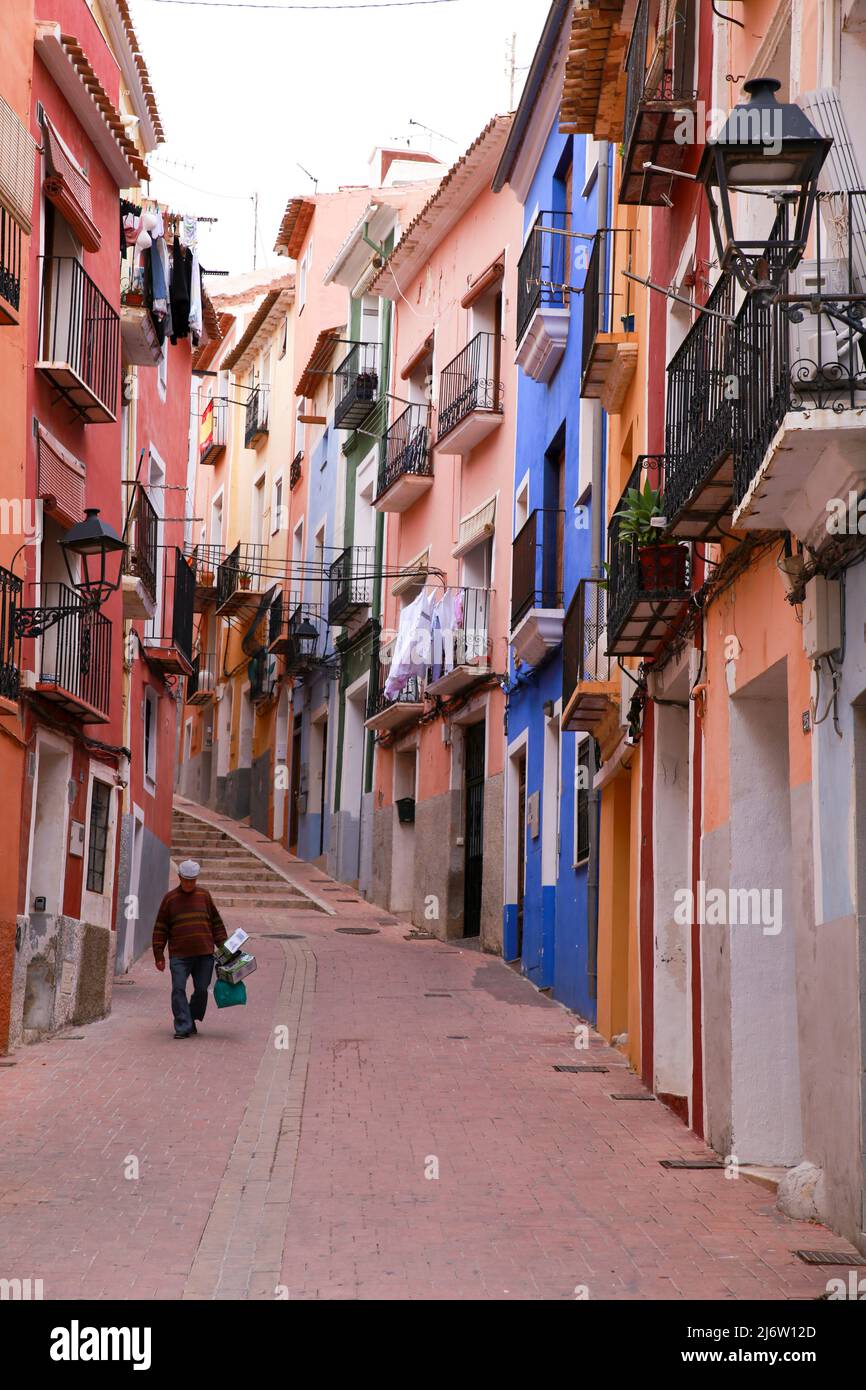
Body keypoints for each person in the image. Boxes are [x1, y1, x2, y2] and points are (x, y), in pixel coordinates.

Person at [152, 859, 228, 1038]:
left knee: (202, 990)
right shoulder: (170, 899)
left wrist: (225, 948)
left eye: (192, 880)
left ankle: (190, 1018)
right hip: (180, 955)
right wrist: (158, 955)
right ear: (179, 877)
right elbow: (160, 927)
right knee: (178, 988)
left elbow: (216, 923)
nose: (189, 884)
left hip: (204, 954)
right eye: (186, 880)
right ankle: (183, 1026)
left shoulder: (204, 896)